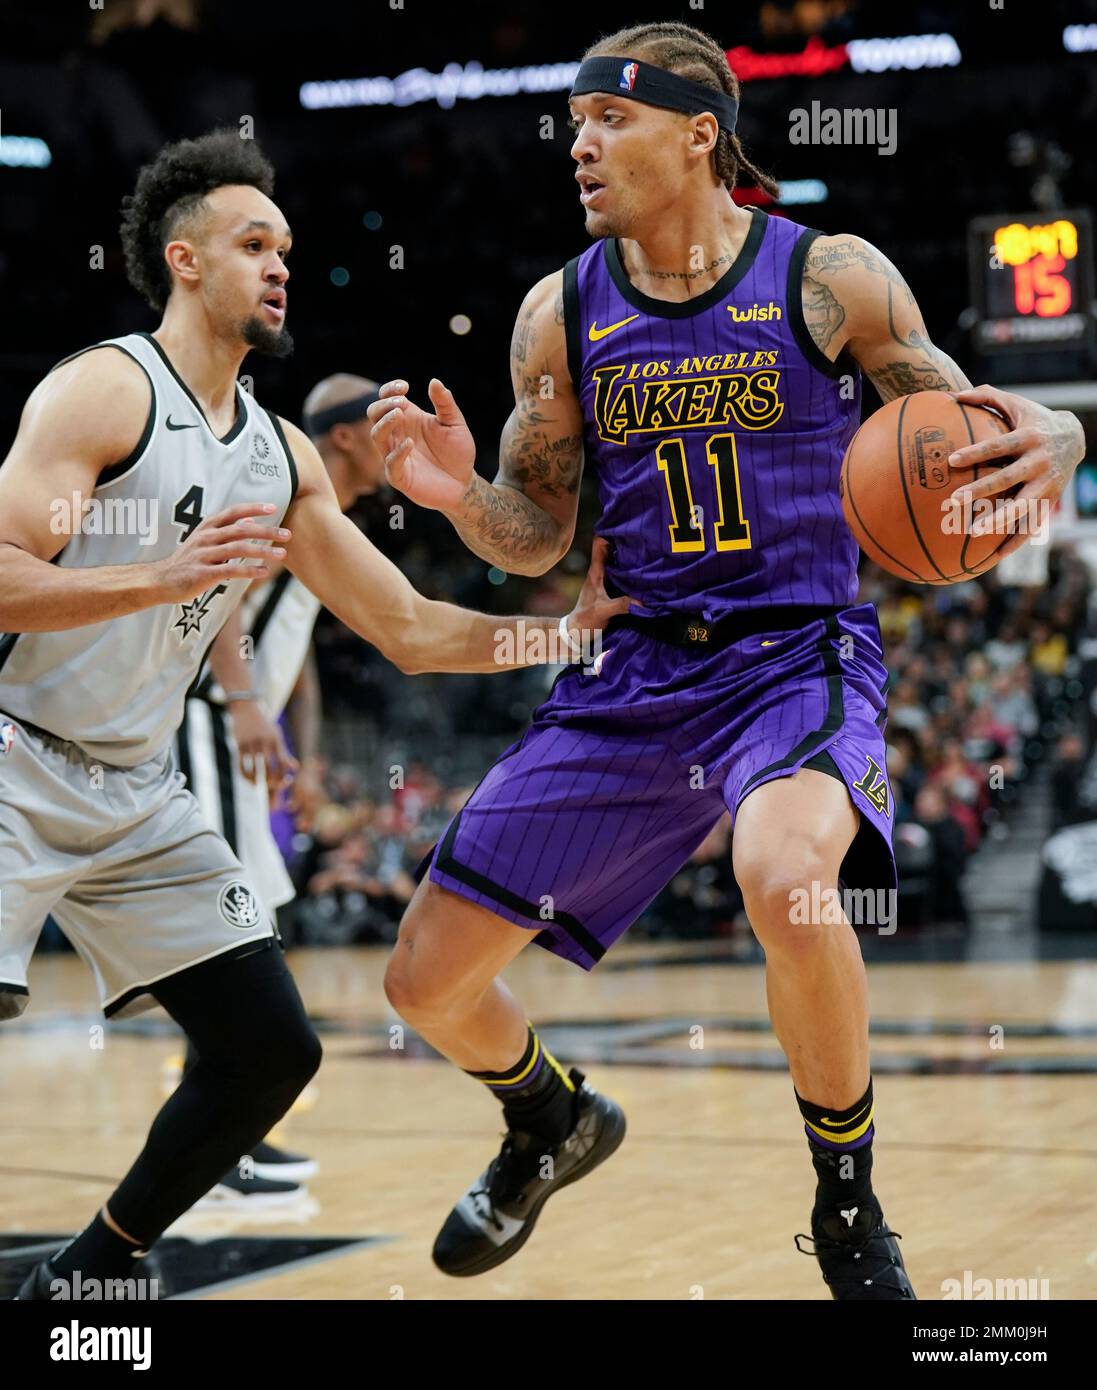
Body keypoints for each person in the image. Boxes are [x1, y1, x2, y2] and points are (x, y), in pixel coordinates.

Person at [369, 20, 1085, 1297]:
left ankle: (848, 1200)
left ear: (699, 135)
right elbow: (537, 533)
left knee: (784, 875)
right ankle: (550, 1117)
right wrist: (452, 495)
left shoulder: (832, 280)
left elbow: (982, 436)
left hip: (793, 657)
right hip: (634, 671)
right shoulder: (559, 313)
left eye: (610, 122)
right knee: (422, 980)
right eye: (575, 125)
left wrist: (1062, 441)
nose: (578, 146)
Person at [1, 128, 628, 1299]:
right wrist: (158, 577)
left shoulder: (279, 456)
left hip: (138, 793)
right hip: (15, 760)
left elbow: (408, 627)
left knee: (268, 1053)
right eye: (253, 244)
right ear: (184, 260)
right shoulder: (105, 387)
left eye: (285, 246)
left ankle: (79, 1286)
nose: (279, 264)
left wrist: (561, 633)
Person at [171, 373, 387, 1204]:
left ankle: (227, 1139)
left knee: (245, 930)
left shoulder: (325, 516)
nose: (392, 445)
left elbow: (299, 662)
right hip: (205, 719)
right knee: (230, 936)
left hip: (241, 728)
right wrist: (245, 702)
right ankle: (222, 1145)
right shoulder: (278, 488)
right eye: (379, 428)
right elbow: (222, 593)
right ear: (341, 437)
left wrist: (303, 751)